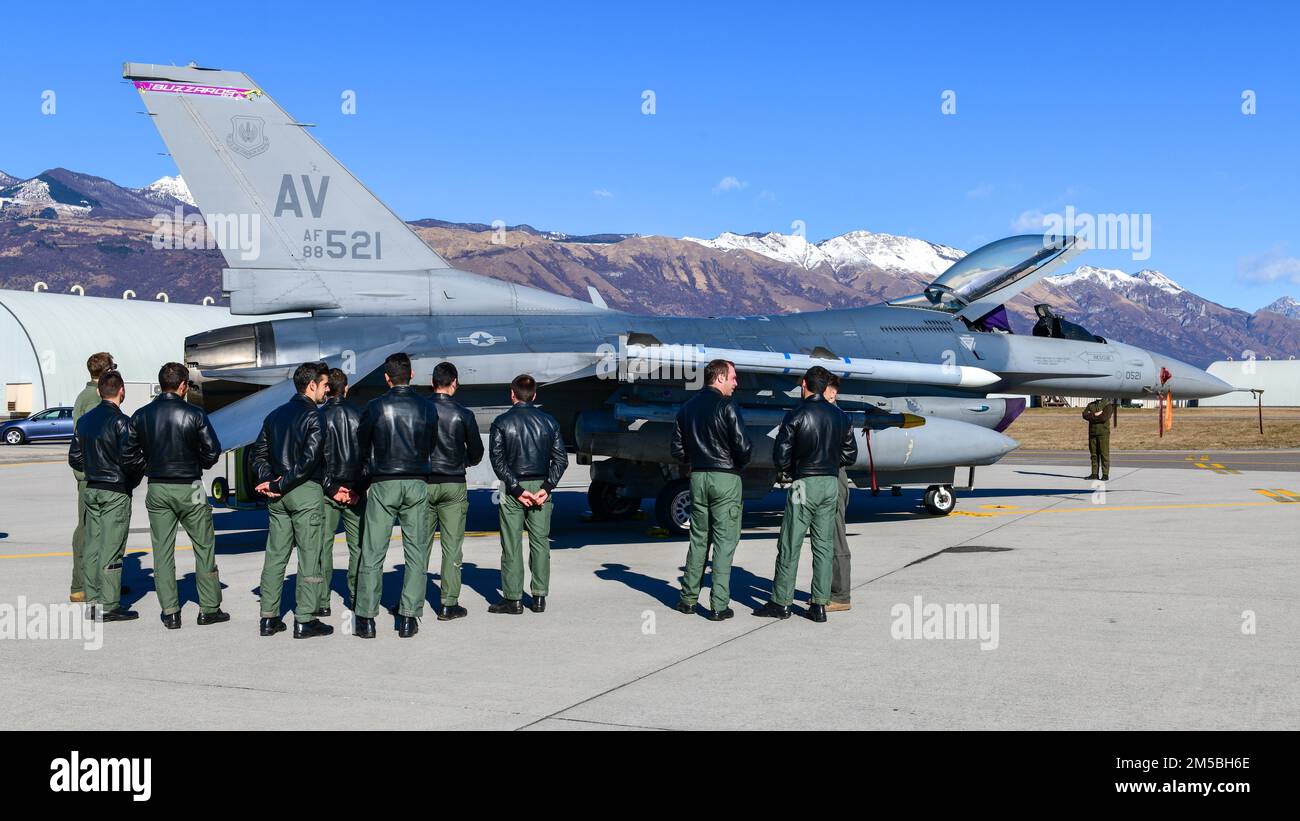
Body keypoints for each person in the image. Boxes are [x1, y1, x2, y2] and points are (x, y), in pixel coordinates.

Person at [125, 363, 225, 629]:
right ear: (182, 385)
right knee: (203, 547)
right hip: (190, 485)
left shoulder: (141, 415)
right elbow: (212, 451)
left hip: (158, 486)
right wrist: (198, 463)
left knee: (162, 550)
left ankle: (170, 611)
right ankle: (209, 608)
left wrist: (148, 466)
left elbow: (128, 453)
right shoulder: (195, 414)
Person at [755, 365, 857, 623]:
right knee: (823, 545)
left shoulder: (797, 414)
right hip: (830, 483)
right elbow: (850, 455)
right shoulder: (841, 416)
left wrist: (794, 470)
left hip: (804, 484)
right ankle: (819, 605)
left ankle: (781, 601)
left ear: (804, 384)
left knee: (791, 542)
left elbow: (781, 455)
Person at [354, 353, 438, 638]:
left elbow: (361, 446)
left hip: (383, 481)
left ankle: (365, 618)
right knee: (416, 552)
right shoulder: (427, 407)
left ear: (387, 378)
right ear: (411, 375)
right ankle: (408, 617)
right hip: (416, 480)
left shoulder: (375, 406)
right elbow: (431, 443)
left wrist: (363, 478)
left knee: (373, 551)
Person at [251, 362, 332, 639]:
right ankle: (305, 619)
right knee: (310, 556)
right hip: (304, 491)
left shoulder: (274, 416)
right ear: (311, 386)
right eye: (324, 384)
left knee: (275, 556)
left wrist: (269, 481)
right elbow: (309, 461)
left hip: (278, 496)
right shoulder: (315, 417)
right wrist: (281, 482)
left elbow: (257, 454)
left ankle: (268, 617)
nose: (327, 389)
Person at [670, 358, 751, 620]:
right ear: (719, 378)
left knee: (698, 538)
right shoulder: (727, 406)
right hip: (725, 477)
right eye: (733, 377)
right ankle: (718, 605)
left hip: (698, 477)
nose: (736, 383)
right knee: (725, 542)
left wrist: (696, 461)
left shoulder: (686, 408)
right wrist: (736, 464)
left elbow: (677, 450)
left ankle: (688, 600)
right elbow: (743, 447)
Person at [487, 374, 567, 615]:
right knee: (540, 543)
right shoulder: (549, 422)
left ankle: (513, 600)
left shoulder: (501, 422)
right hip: (541, 488)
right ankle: (540, 597)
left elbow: (497, 461)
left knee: (511, 544)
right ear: (534, 395)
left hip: (513, 490)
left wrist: (516, 489)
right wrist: (547, 488)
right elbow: (560, 460)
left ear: (512, 394)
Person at [68, 370, 144, 622]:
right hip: (115, 490)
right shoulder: (122, 422)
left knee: (92, 545)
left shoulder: (85, 421)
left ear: (99, 391)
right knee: (112, 547)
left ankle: (92, 598)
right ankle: (109, 605)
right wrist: (129, 482)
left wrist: (92, 472)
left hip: (92, 488)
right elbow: (133, 460)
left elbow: (75, 458)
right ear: (122, 391)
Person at [427, 362, 484, 620]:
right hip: (453, 481)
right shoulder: (464, 414)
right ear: (454, 383)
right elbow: (477, 452)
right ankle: (449, 604)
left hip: (424, 482)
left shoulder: (421, 410)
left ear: (432, 384)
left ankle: (411, 603)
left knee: (418, 545)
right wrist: (463, 462)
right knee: (452, 546)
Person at [69, 351, 116, 603]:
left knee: (88, 529)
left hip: (87, 473)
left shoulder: (82, 396)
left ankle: (89, 583)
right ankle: (86, 585)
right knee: (90, 531)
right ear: (107, 371)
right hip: (92, 475)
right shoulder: (94, 399)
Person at [318, 367, 366, 612]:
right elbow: (368, 457)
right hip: (355, 491)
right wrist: (356, 488)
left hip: (327, 492)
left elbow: (314, 459)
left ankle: (322, 601)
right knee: (357, 546)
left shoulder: (318, 416)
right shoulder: (360, 414)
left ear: (327, 389)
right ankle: (357, 596)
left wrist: (330, 487)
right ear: (346, 389)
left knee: (322, 545)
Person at [823, 374, 853, 612]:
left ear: (832, 392)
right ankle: (825, 592)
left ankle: (840, 595)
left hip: (834, 476)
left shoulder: (838, 418)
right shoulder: (827, 414)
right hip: (827, 476)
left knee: (835, 534)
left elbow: (848, 454)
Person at [1082, 398, 1112, 481]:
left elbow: (1104, 417)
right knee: (1093, 454)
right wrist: (1095, 414)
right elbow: (1084, 415)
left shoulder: (1107, 405)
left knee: (1104, 454)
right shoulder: (1091, 405)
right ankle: (1094, 473)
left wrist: (1091, 416)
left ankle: (1105, 474)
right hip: (1092, 433)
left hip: (1103, 433)